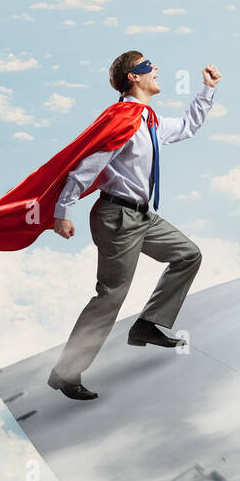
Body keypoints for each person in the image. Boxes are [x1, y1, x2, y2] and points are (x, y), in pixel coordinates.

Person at [46, 52, 221, 401]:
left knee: (188, 255)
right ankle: (65, 373)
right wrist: (62, 211)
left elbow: (188, 127)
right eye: (148, 66)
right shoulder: (122, 121)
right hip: (117, 218)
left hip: (143, 216)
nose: (155, 69)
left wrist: (207, 90)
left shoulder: (148, 120)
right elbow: (85, 166)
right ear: (133, 78)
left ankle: (146, 324)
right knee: (111, 295)